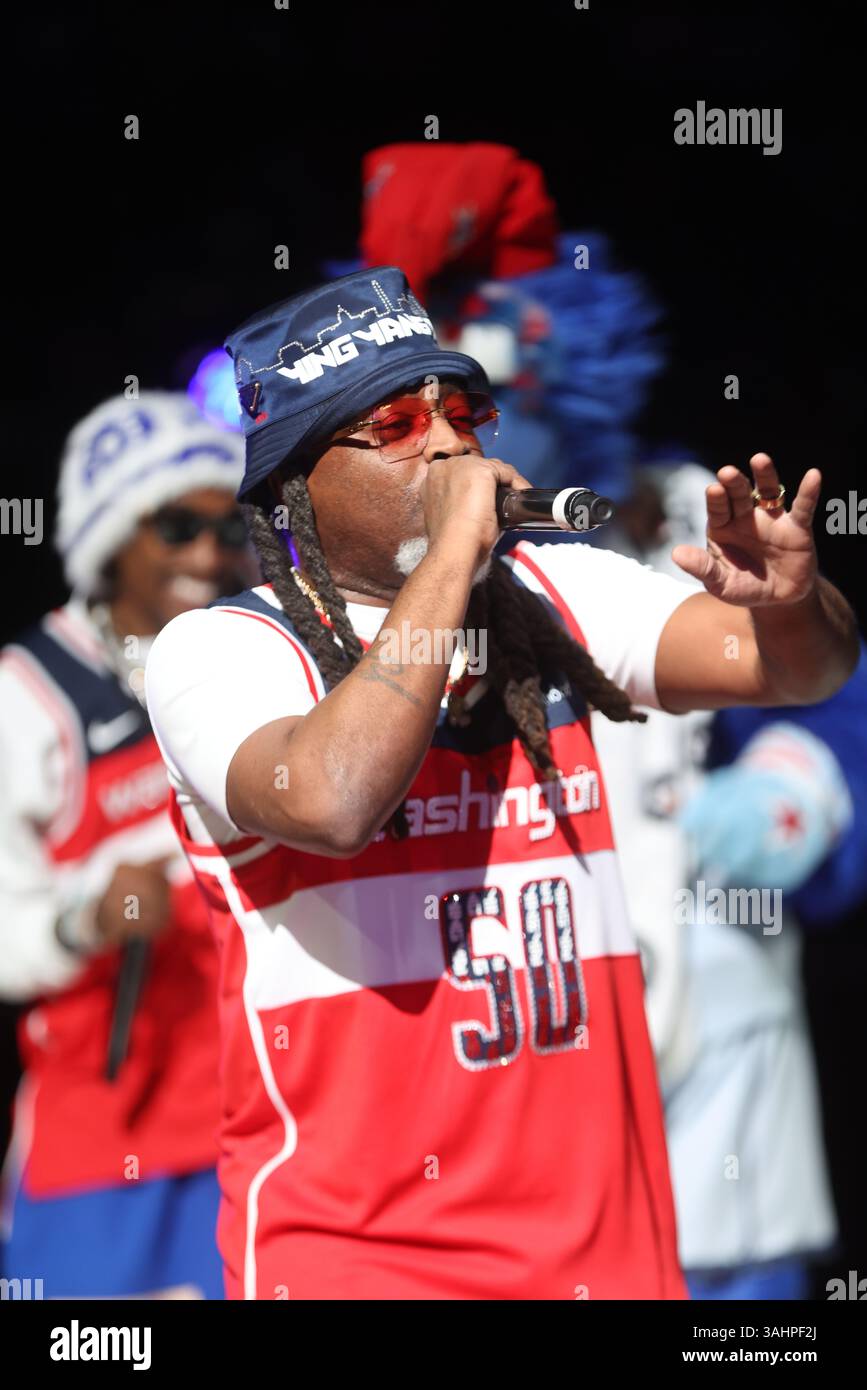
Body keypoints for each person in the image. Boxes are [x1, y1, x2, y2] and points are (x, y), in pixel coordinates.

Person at [144, 266, 858, 1300]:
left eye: (464, 411)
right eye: (394, 421)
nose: (447, 444)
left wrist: (794, 603)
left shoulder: (556, 591)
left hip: (606, 1264)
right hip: (362, 1263)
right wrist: (451, 552)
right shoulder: (219, 654)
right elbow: (335, 798)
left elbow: (794, 669)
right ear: (295, 483)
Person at [0, 392, 252, 1298]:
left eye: (229, 529)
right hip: (100, 1147)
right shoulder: (29, 696)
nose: (207, 554)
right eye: (178, 525)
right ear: (108, 537)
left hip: (251, 1122)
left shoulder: (251, 658)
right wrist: (89, 917)